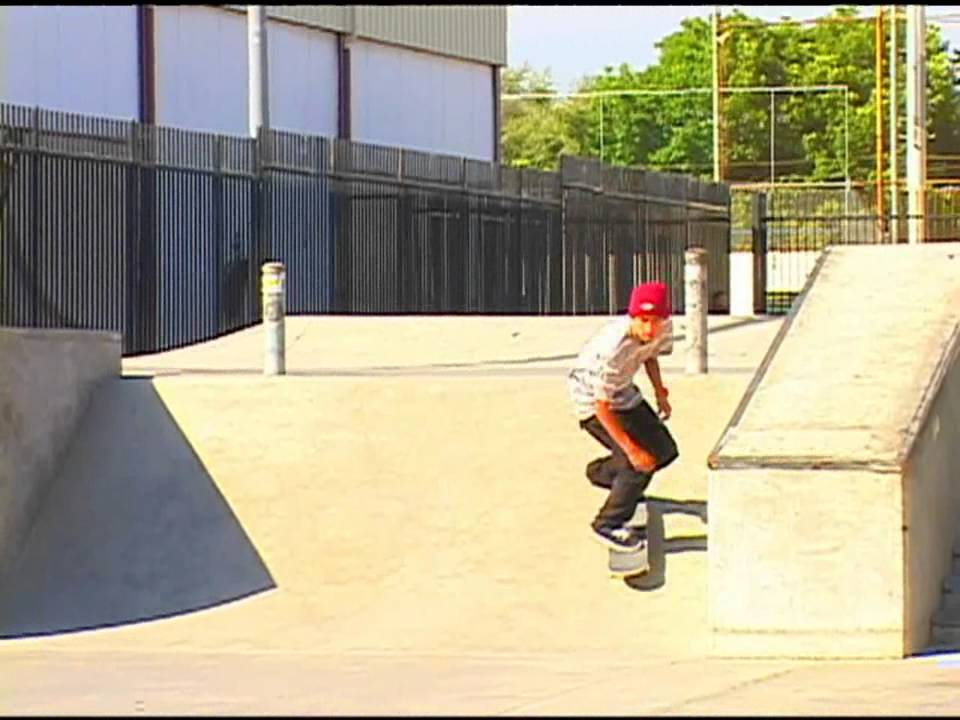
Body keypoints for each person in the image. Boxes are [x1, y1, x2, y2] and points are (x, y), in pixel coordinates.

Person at [567, 281, 680, 551]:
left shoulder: (664, 330)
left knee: (664, 450)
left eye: (655, 321)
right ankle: (607, 523)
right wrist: (632, 451)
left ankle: (611, 478)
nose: (649, 329)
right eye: (643, 321)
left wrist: (660, 392)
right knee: (639, 461)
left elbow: (649, 355)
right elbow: (601, 407)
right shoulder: (612, 348)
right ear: (633, 317)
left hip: (623, 392)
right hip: (591, 401)